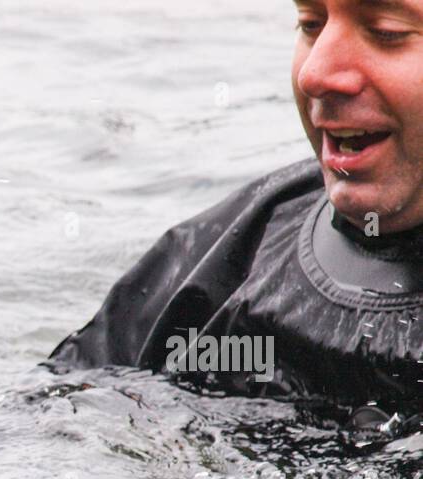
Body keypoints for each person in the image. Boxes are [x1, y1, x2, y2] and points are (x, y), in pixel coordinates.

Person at [51, 0, 423, 438]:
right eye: (310, 24)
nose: (315, 74)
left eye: (386, 32)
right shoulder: (234, 252)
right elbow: (50, 416)